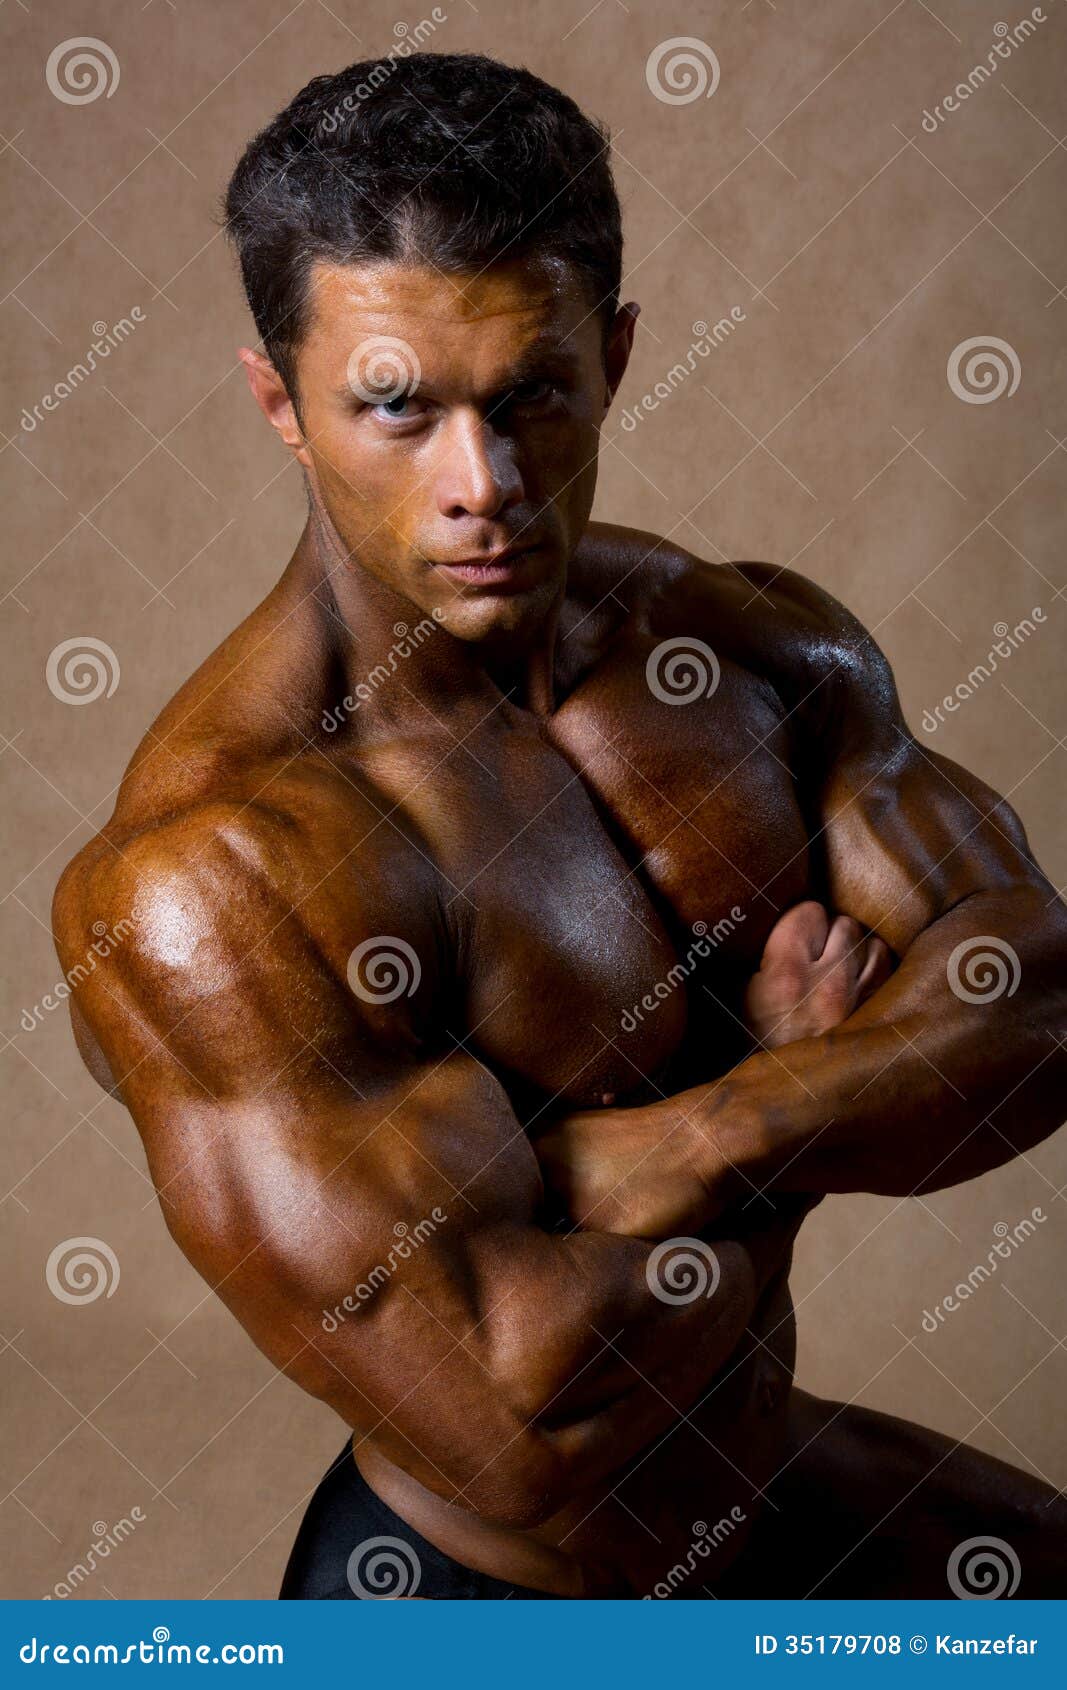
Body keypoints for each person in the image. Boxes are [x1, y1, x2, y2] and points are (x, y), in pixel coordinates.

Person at [53, 52, 1067, 1600]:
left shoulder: (741, 645)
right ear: (281, 403)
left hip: (754, 1479)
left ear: (619, 354)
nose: (486, 483)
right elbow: (528, 1416)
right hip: (485, 1593)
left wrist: (707, 1131)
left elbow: (1035, 991)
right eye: (395, 409)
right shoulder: (219, 869)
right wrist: (810, 1121)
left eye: (532, 392)